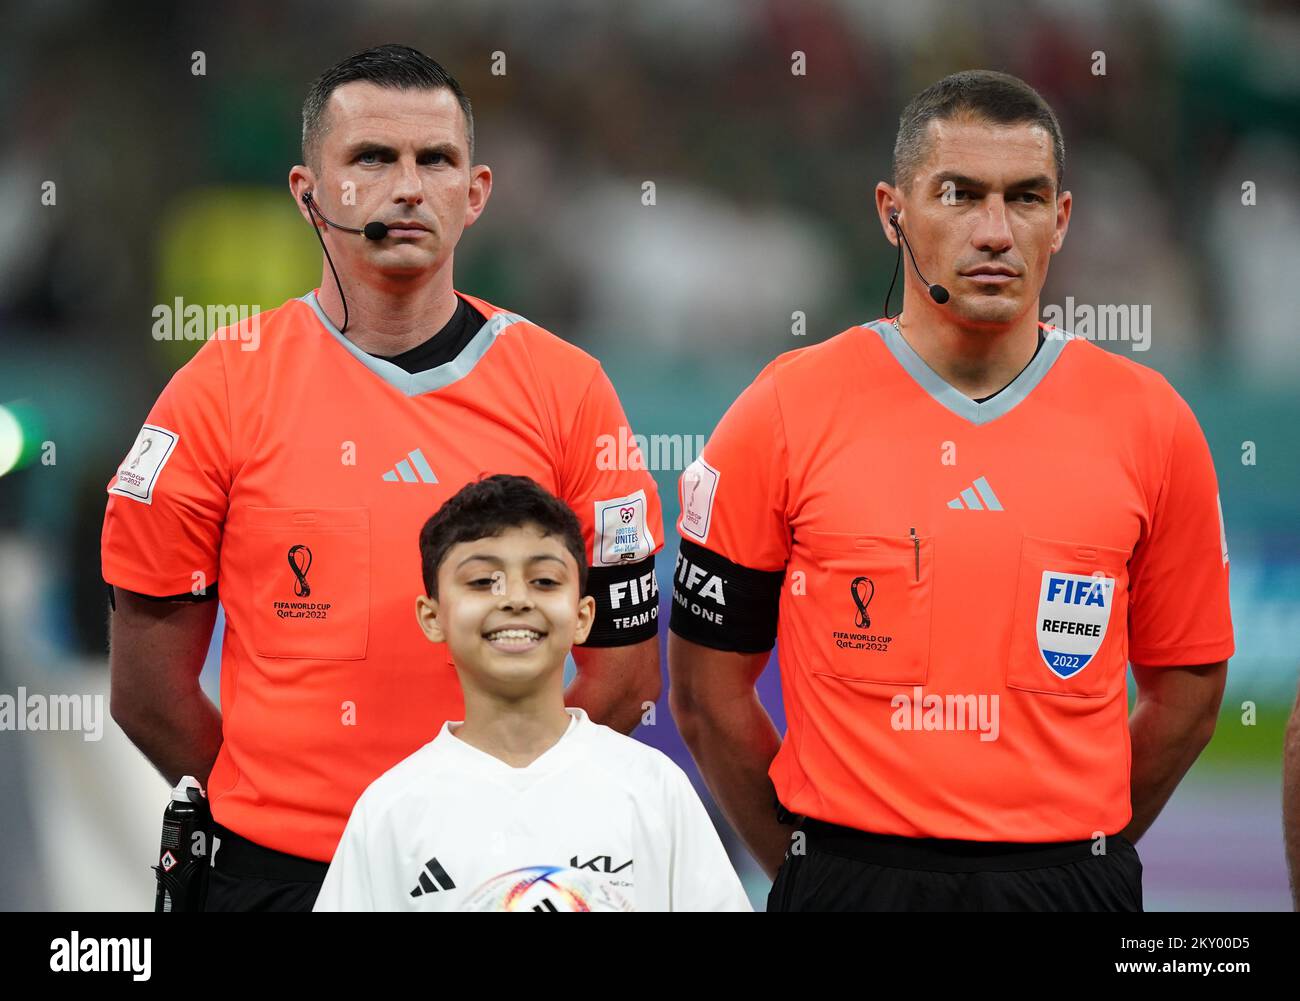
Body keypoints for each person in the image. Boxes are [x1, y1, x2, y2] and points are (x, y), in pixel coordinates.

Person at [102, 45, 664, 912]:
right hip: (274, 876)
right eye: (372, 158)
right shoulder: (213, 395)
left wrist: (496, 817)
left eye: (434, 160)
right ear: (308, 194)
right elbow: (146, 689)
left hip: (495, 878)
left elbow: (623, 679)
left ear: (474, 194)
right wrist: (274, 816)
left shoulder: (570, 393)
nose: (408, 186)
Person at [667, 70, 1233, 911]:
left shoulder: (1155, 424)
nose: (996, 232)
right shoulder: (781, 411)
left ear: (1062, 219)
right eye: (960, 195)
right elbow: (707, 696)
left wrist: (1077, 854)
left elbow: (1186, 697)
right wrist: (808, 867)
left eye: (1027, 199)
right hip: (849, 880)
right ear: (892, 211)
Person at [313, 475, 750, 912]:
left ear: (582, 616)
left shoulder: (655, 790)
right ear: (432, 617)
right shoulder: (391, 810)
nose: (515, 599)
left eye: (544, 581)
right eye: (483, 582)